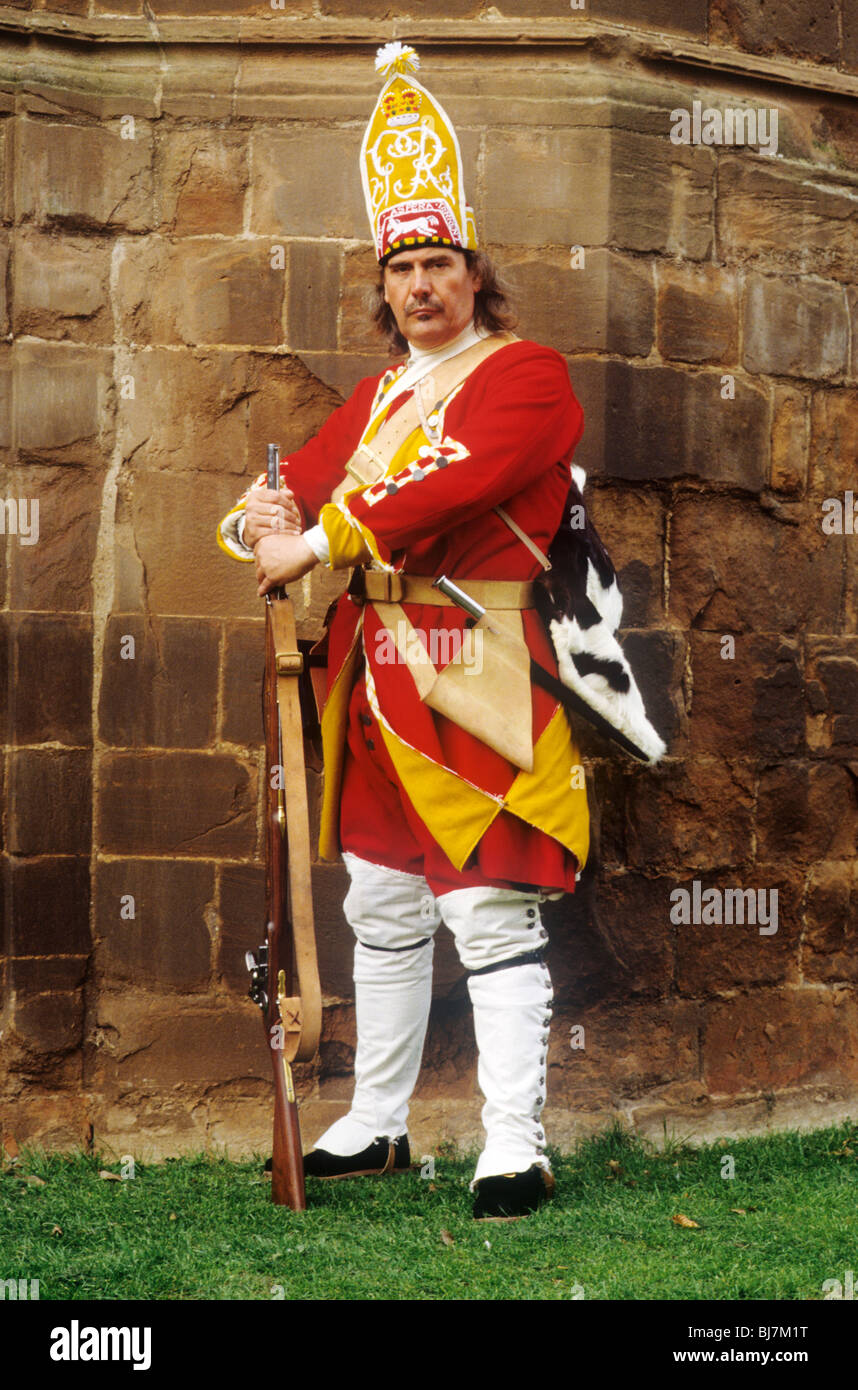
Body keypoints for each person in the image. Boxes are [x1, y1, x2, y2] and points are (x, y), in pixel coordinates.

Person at [217, 42, 591, 1220]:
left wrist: (317, 538)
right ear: (381, 289)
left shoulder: (529, 376)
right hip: (371, 678)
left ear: (475, 274)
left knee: (486, 905)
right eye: (402, 269)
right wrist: (260, 513)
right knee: (378, 903)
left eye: (438, 263)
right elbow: (293, 494)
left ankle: (515, 1145)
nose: (421, 286)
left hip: (477, 664)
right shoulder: (375, 400)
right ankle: (378, 1123)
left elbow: (444, 491)